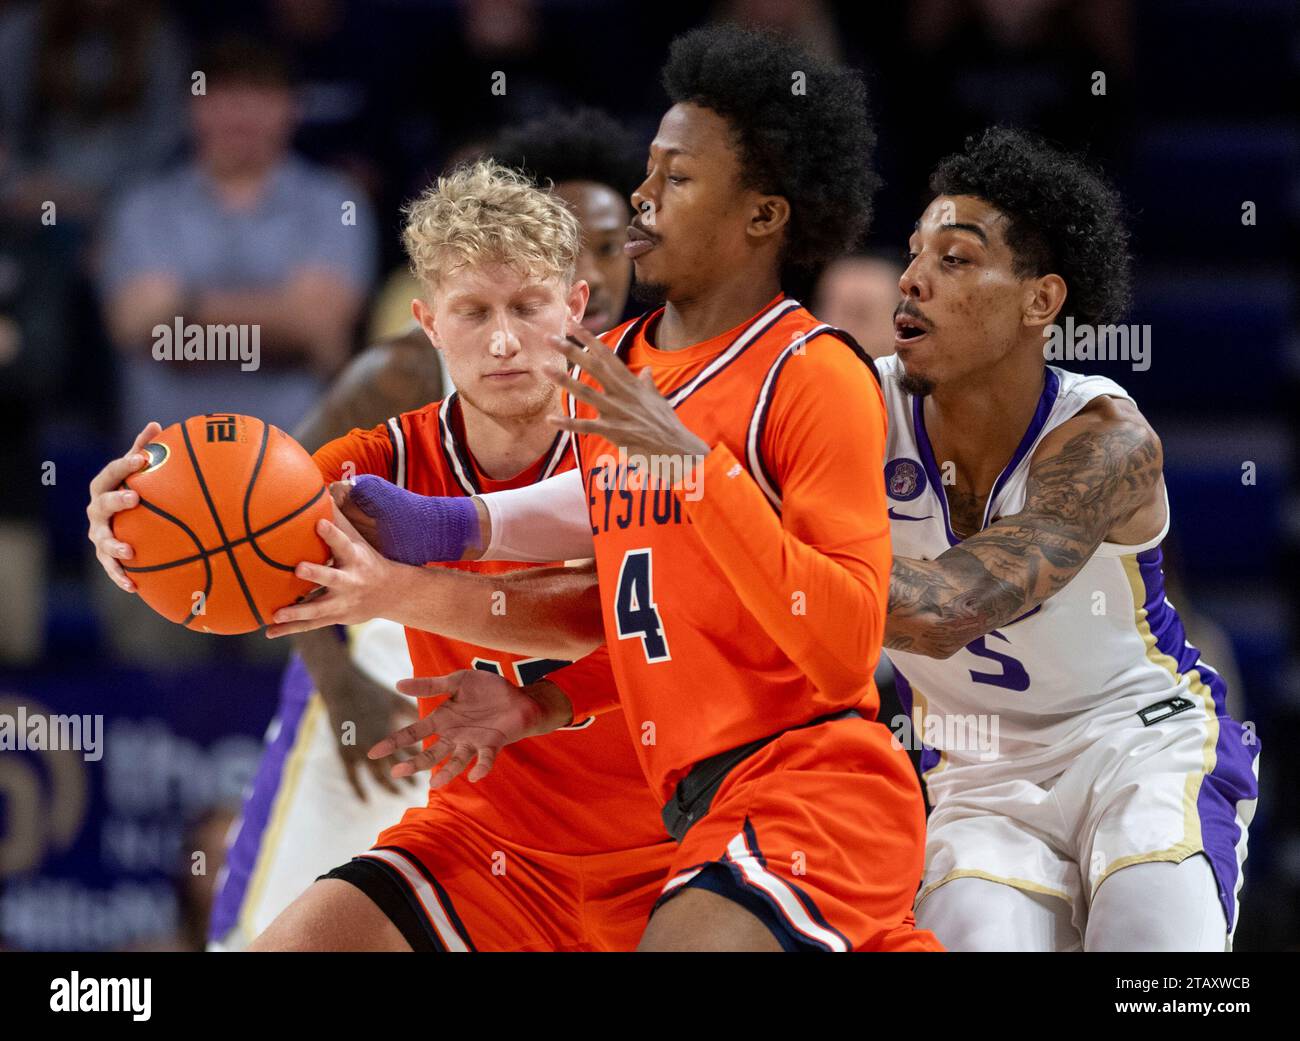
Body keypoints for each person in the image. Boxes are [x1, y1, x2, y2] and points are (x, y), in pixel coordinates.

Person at [301, 25, 940, 953]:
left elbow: (844, 649)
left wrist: (697, 471)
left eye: (676, 179)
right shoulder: (623, 368)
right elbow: (639, 600)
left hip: (811, 791)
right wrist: (540, 693)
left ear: (762, 216)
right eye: (650, 168)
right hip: (690, 810)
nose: (644, 195)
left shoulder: (810, 371)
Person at [88, 157, 674, 952]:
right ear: (429, 324)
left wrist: (395, 591)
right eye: (472, 312)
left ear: (573, 307)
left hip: (665, 844)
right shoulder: (377, 456)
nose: (503, 340)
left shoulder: (646, 435)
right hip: (485, 838)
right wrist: (129, 526)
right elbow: (233, 535)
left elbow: (610, 625)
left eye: (527, 306)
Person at [880, 128, 1259, 951]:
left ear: (1039, 301)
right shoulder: (850, 405)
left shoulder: (1105, 439)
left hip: (1136, 738)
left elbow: (953, 606)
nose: (910, 280)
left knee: (1154, 943)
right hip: (978, 769)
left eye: (954, 260)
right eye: (914, 254)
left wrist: (752, 545)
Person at [97, 34, 377, 439]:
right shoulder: (143, 205)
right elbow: (136, 323)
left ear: (292, 108)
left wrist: (185, 306)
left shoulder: (335, 202)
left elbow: (320, 328)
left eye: (260, 95)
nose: (241, 113)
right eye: (222, 94)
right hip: (161, 466)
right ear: (192, 107)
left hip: (297, 461)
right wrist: (280, 320)